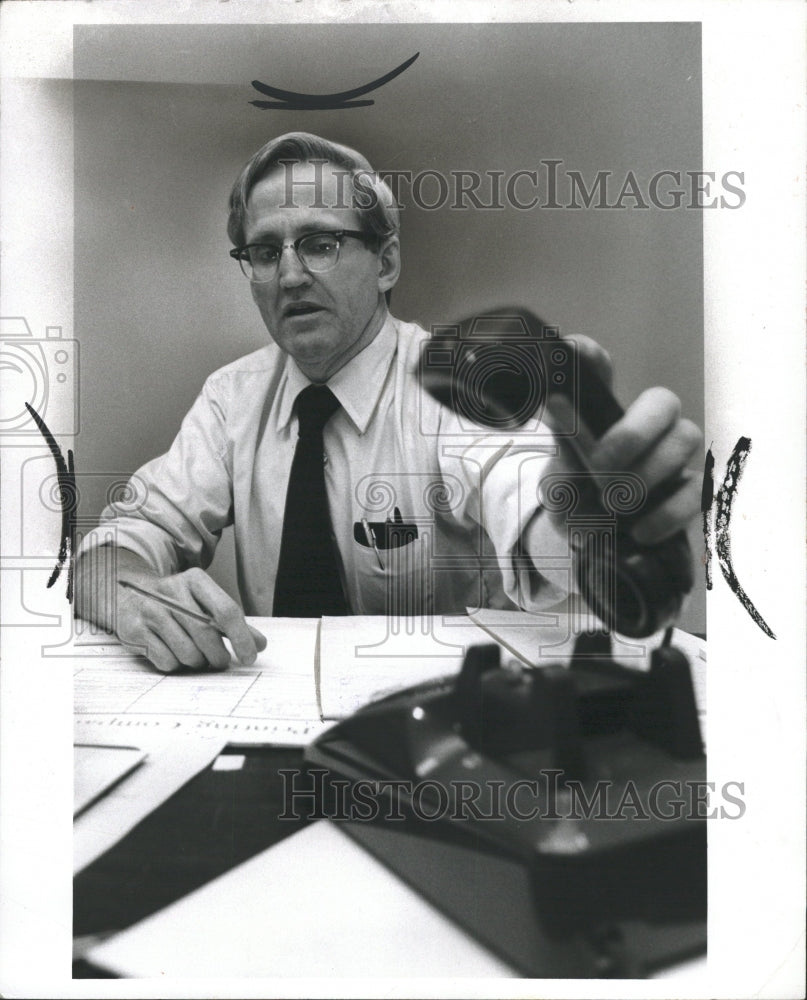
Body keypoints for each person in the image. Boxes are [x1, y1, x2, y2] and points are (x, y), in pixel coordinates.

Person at [75, 132, 702, 673]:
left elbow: (526, 499)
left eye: (320, 243)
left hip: (433, 724)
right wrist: (130, 594)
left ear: (386, 263)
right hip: (266, 711)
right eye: (265, 252)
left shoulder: (449, 385)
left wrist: (580, 518)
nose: (289, 275)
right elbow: (124, 539)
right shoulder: (231, 398)